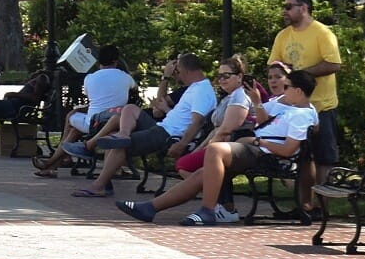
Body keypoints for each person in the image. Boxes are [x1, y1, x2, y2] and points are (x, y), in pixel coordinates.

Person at [119, 71, 318, 227]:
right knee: (202, 174)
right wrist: (257, 101)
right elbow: (263, 121)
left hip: (267, 154)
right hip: (255, 149)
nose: (283, 89)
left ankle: (207, 210)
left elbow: (288, 150)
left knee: (216, 150)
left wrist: (258, 142)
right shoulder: (287, 106)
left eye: (287, 86)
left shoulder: (302, 115)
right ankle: (150, 208)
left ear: (299, 91)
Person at [81, 52, 217, 196]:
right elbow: (179, 117)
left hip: (168, 135)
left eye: (177, 72)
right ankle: (124, 134)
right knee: (130, 109)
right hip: (163, 127)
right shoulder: (194, 88)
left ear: (186, 71)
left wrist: (182, 144)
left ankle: (99, 186)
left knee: (119, 145)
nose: (177, 76)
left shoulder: (202, 91)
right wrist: (166, 109)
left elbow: (197, 122)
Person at [270, 0, 343, 193]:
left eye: (288, 7)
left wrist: (301, 74)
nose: (284, 11)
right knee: (302, 158)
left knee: (323, 159)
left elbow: (334, 64)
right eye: (283, 6)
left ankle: (323, 206)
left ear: (303, 8)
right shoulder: (283, 36)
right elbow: (275, 65)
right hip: (293, 109)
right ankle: (305, 206)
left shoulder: (322, 33)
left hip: (321, 107)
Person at [34, 42, 130, 175]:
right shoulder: (126, 78)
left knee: (71, 117)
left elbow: (93, 101)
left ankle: (54, 162)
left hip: (93, 124)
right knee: (74, 130)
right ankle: (55, 162)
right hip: (116, 123)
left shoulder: (90, 78)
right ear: (116, 60)